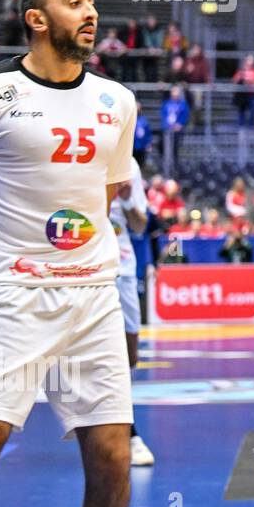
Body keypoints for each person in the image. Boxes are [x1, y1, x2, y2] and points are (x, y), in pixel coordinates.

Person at [0, 0, 139, 507]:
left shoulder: (117, 101)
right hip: (12, 291)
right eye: (75, 2)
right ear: (37, 20)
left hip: (92, 294)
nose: (91, 11)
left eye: (93, 0)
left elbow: (106, 192)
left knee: (113, 453)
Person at [109, 156, 154, 466]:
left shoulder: (128, 163)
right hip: (76, 260)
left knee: (129, 355)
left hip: (122, 261)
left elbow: (140, 226)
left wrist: (125, 200)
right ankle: (129, 433)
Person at [231, 54, 254, 129]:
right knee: (241, 113)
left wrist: (248, 81)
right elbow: (235, 81)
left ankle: (251, 128)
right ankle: (241, 131)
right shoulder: (241, 71)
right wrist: (243, 79)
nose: (250, 61)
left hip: (253, 95)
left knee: (253, 113)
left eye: (252, 60)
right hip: (242, 95)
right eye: (249, 59)